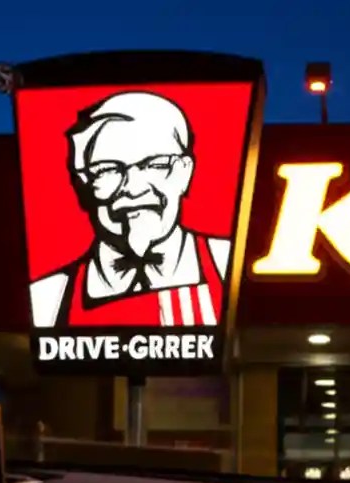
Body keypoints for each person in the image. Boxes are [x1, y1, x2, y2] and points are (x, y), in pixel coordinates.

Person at [29, 91, 232, 329]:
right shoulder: (48, 298)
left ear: (184, 172)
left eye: (156, 165)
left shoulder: (227, 263)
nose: (134, 189)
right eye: (107, 170)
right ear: (82, 185)